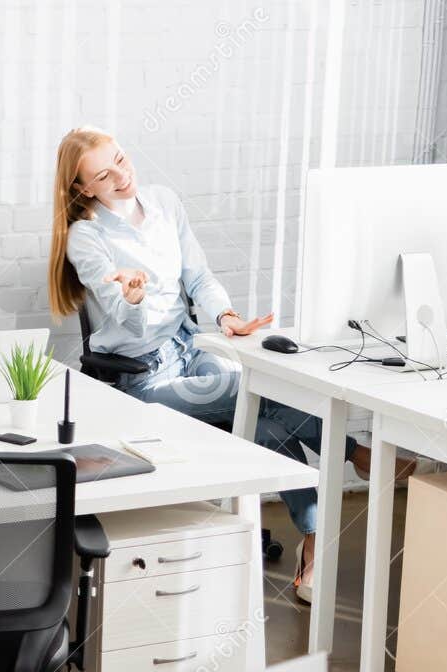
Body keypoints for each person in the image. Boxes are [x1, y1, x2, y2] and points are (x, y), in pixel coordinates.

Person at [47, 127, 371, 604]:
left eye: (120, 159)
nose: (120, 175)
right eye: (103, 174)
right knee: (259, 397)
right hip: (143, 378)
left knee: (264, 416)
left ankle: (317, 535)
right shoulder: (85, 237)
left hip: (189, 350)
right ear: (82, 189)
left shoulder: (162, 202)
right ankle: (355, 458)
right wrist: (132, 298)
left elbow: (198, 276)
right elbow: (127, 323)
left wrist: (226, 317)